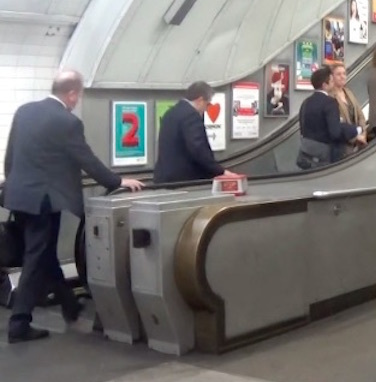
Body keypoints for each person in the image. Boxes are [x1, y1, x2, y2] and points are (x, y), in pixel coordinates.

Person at [2, 70, 144, 343]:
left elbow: (10, 155)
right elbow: (85, 158)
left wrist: (13, 188)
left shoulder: (24, 111)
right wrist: (117, 180)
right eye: (77, 96)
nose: (76, 101)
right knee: (36, 257)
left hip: (19, 196)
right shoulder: (66, 121)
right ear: (71, 93)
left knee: (44, 255)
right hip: (44, 201)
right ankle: (19, 325)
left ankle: (70, 306)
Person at [153, 81, 234, 184]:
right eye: (207, 104)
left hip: (165, 178)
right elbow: (198, 149)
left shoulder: (171, 113)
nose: (207, 108)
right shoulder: (191, 116)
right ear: (200, 100)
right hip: (185, 181)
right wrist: (220, 171)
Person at [297, 67, 367, 169]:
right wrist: (356, 130)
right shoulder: (329, 102)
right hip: (325, 154)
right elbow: (335, 132)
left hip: (307, 151)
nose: (333, 83)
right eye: (331, 80)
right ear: (325, 85)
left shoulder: (306, 102)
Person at [328, 64, 368, 157]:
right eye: (338, 74)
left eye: (344, 74)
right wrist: (355, 137)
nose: (342, 76)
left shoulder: (348, 92)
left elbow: (360, 115)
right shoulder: (330, 97)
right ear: (331, 77)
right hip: (342, 145)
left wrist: (363, 133)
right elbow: (337, 124)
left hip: (359, 140)